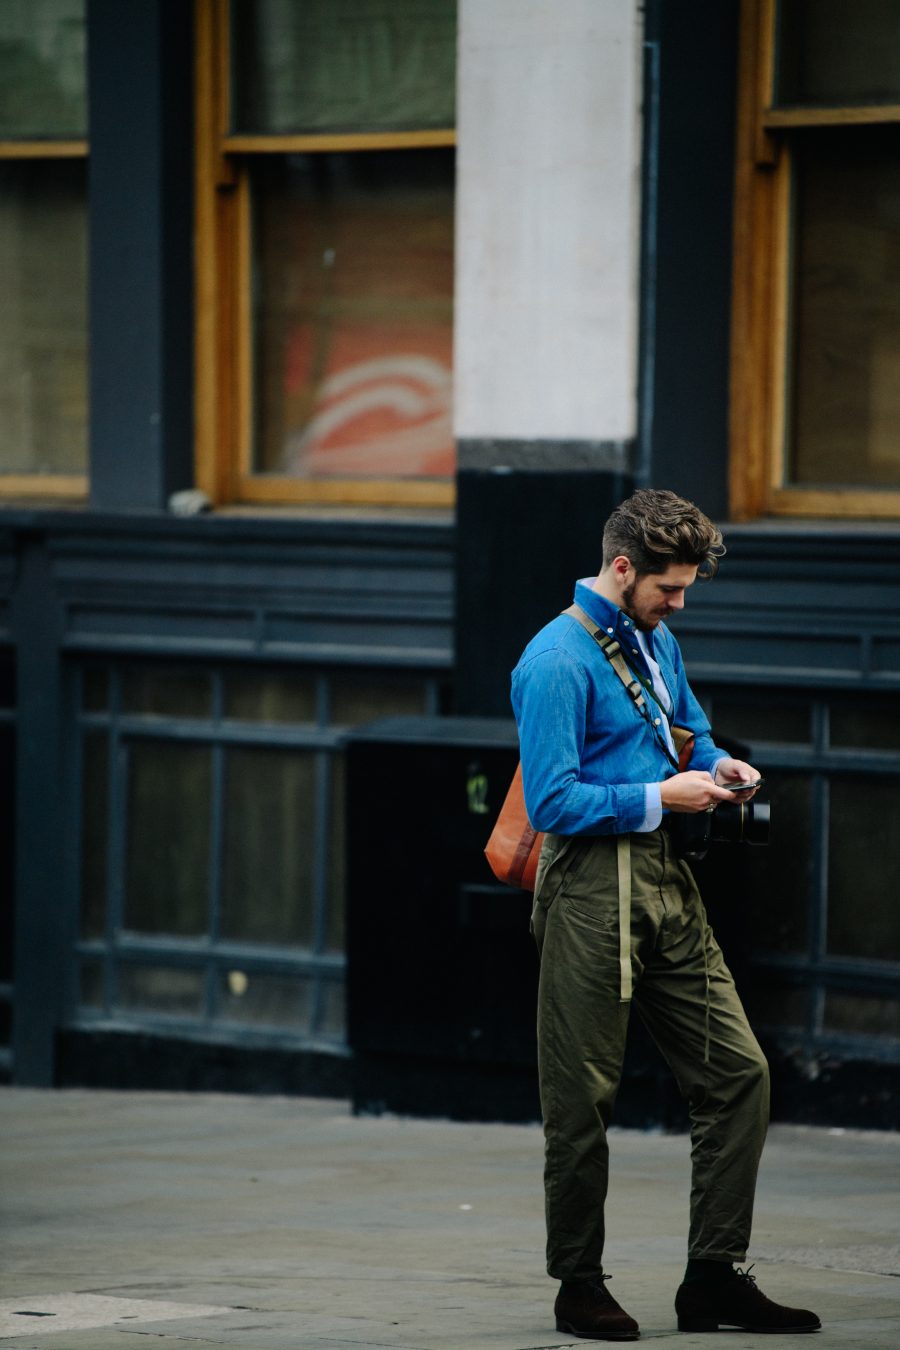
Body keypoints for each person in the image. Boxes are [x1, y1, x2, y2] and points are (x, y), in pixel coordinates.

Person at [511, 489, 820, 1340]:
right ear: (622, 568)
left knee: (739, 1074)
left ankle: (713, 1277)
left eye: (684, 589)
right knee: (582, 1100)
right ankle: (579, 1285)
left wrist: (725, 770)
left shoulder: (656, 641)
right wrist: (660, 795)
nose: (677, 603)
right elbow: (551, 798)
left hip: (667, 881)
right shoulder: (554, 661)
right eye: (667, 589)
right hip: (588, 887)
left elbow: (693, 735)